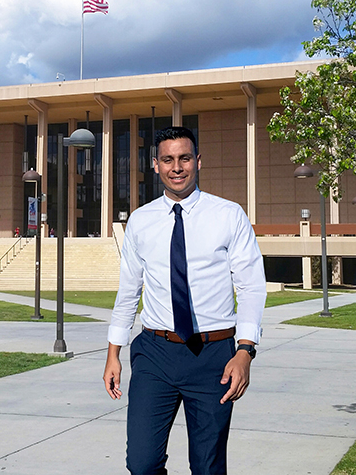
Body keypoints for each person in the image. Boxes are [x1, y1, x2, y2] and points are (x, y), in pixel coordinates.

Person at [103, 126, 266, 475]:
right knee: (142, 464)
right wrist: (113, 354)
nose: (177, 167)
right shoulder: (141, 221)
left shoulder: (229, 215)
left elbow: (251, 286)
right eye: (168, 159)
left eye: (184, 158)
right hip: (155, 353)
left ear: (198, 161)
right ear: (156, 165)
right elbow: (129, 290)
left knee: (207, 467)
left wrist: (245, 351)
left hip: (214, 357)